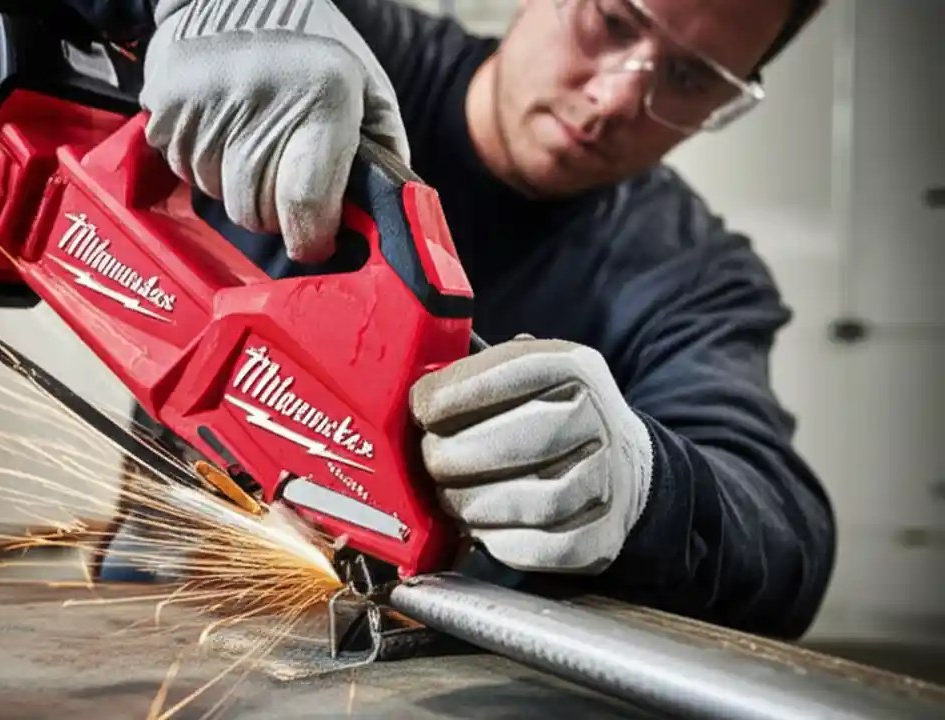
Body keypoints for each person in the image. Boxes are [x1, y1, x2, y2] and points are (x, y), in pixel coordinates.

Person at [72, 0, 835, 639]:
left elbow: (784, 538)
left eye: (688, 77)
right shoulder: (324, 38)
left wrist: (646, 487)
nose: (613, 98)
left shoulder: (694, 275)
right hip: (165, 581)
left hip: (430, 664)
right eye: (613, 20)